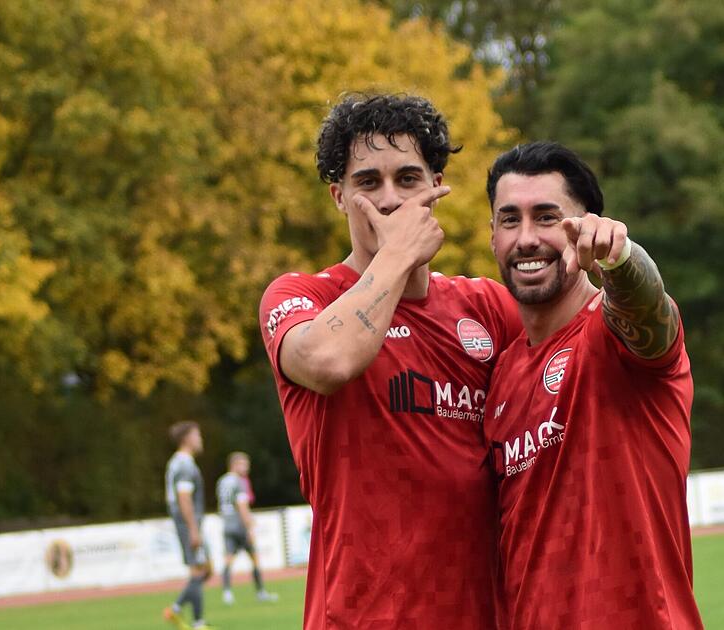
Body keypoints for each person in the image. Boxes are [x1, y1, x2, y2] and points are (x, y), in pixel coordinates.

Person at [258, 93, 519, 629]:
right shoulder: (301, 295)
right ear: (338, 196)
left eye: (407, 178)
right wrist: (398, 253)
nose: (390, 199)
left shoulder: (487, 307)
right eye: (367, 183)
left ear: (437, 186)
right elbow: (329, 362)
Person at [483, 142, 704, 629]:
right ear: (492, 236)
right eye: (509, 219)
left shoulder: (613, 336)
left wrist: (622, 259)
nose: (526, 238)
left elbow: (646, 310)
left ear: (585, 229)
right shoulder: (500, 378)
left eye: (547, 217)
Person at [162, 421, 215, 630]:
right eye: (197, 435)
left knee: (206, 569)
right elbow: (184, 498)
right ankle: (189, 617)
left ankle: (188, 616)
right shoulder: (184, 464)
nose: (200, 439)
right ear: (187, 439)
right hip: (188, 523)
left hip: (189, 522)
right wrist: (193, 529)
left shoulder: (178, 462)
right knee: (198, 570)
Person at [216, 451, 278, 605]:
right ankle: (261, 592)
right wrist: (250, 527)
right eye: (243, 464)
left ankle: (227, 593)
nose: (246, 468)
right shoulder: (239, 482)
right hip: (239, 525)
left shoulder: (222, 481)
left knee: (228, 559)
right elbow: (242, 506)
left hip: (227, 524)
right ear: (234, 464)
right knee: (255, 558)